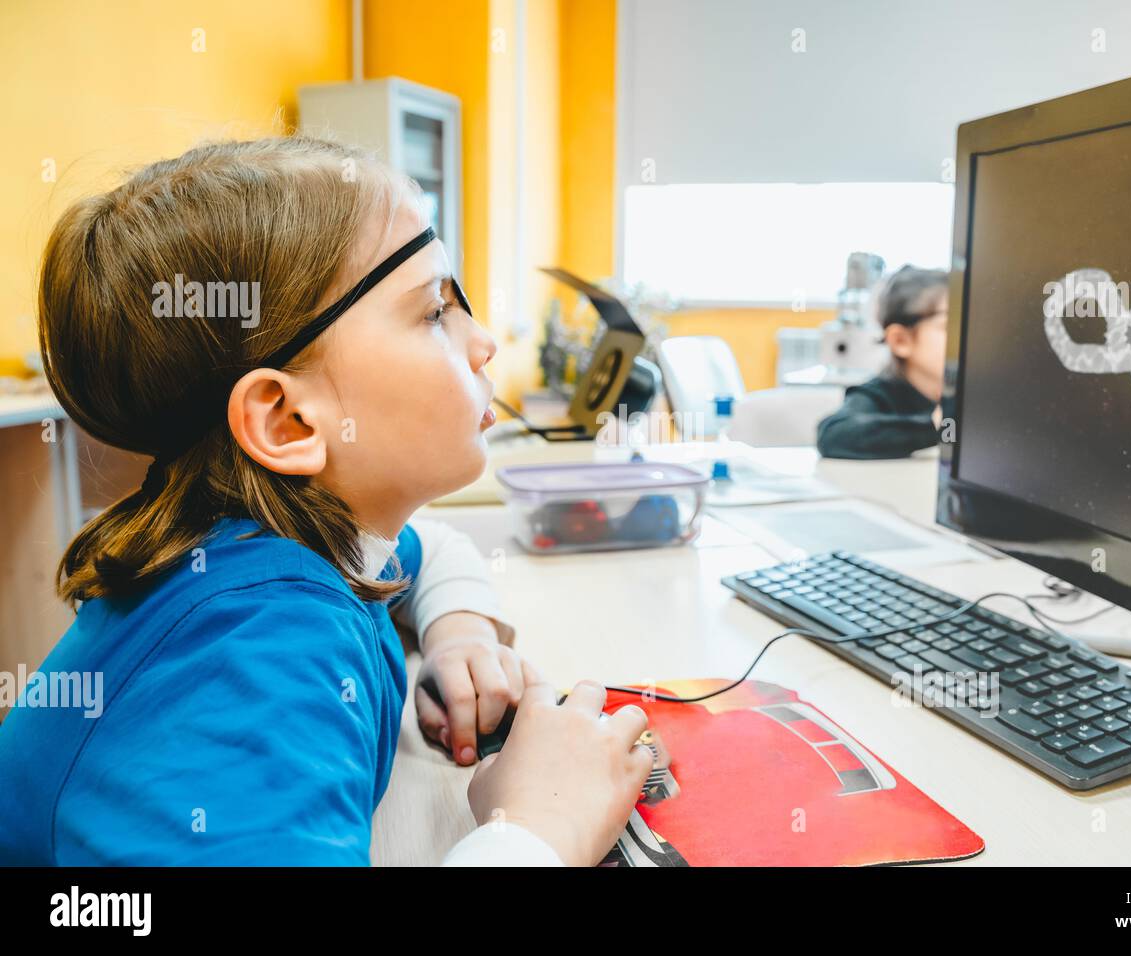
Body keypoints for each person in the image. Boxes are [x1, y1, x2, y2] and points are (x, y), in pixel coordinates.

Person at [0, 137, 651, 866]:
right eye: (435, 312)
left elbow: (427, 549)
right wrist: (540, 826)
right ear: (288, 421)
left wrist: (458, 634)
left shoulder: (291, 538)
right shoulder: (259, 654)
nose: (485, 342)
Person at [816, 265, 951, 459]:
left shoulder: (977, 395)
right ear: (900, 340)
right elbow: (834, 435)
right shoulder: (880, 395)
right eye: (949, 326)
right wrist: (940, 427)